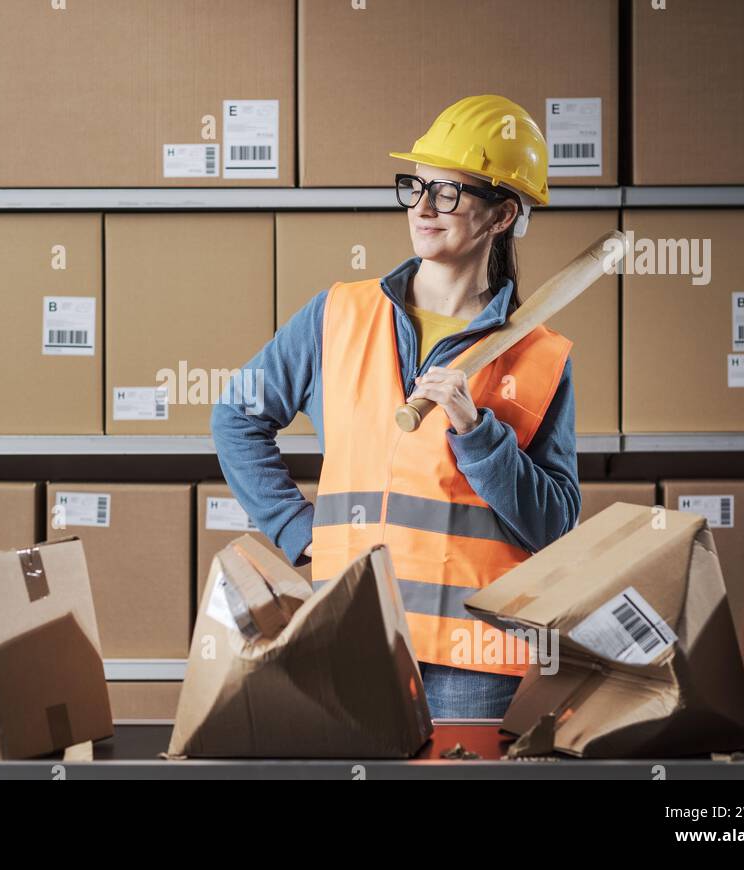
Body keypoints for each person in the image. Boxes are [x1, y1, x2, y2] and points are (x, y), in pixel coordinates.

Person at [210, 95, 580, 719]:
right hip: (353, 632)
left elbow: (555, 524)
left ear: (502, 214)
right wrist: (300, 533)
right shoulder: (339, 314)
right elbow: (236, 416)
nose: (424, 208)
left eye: (450, 193)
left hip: (473, 658)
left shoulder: (541, 357)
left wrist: (477, 433)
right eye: (417, 187)